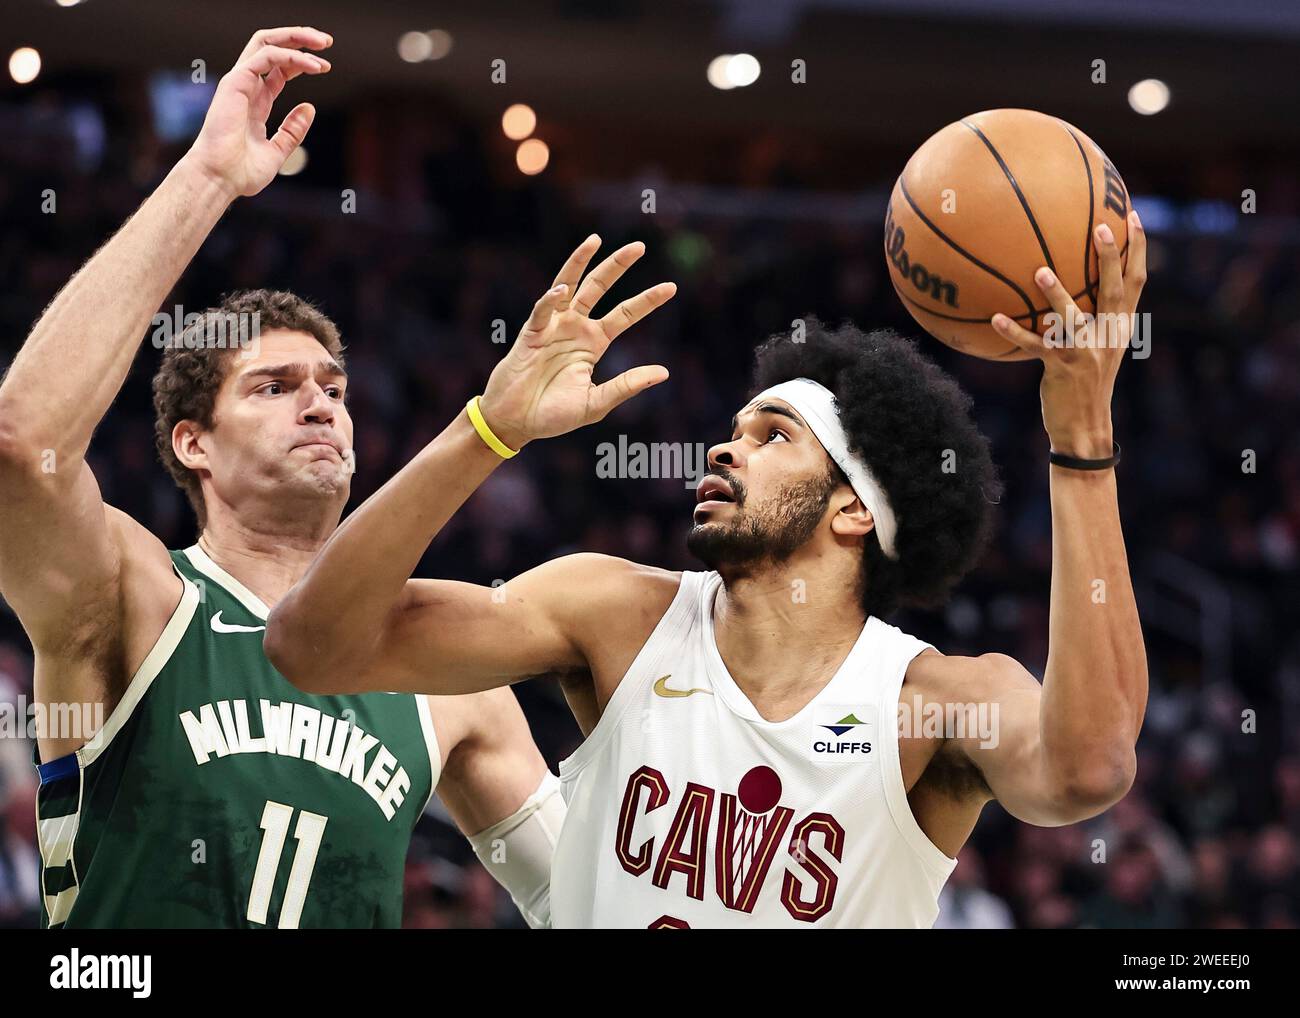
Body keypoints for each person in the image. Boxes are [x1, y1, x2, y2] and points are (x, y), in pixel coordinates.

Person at [266, 195, 1150, 929]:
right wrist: (486, 431)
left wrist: (1081, 442)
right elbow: (314, 647)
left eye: (772, 437)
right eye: (730, 434)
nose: (725, 453)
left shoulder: (933, 703)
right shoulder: (614, 612)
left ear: (852, 509)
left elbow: (1088, 770)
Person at [0, 26, 561, 928]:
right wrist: (209, 178)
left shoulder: (443, 670)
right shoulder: (128, 594)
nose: (320, 405)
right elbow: (22, 447)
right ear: (193, 444)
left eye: (333, 388)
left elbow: (583, 900)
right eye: (274, 386)